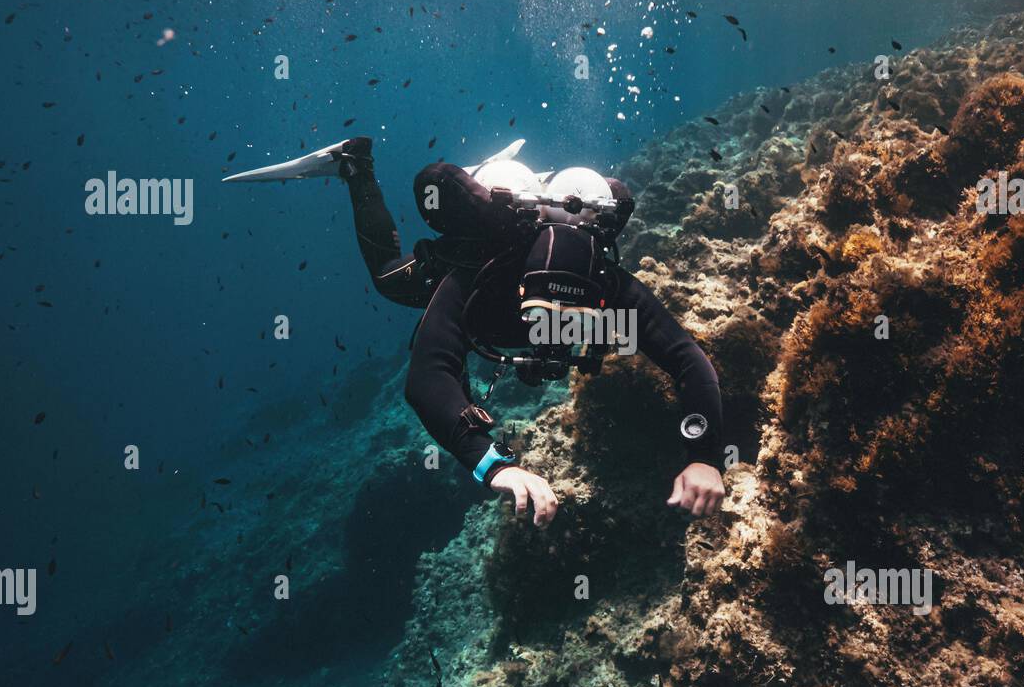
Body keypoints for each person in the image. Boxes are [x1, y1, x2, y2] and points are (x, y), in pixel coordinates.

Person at [227, 136, 725, 527]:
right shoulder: (473, 277)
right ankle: (354, 166)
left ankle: (489, 185)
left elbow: (685, 358)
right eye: (542, 303)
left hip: (528, 236)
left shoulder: (607, 280)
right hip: (480, 261)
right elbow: (427, 379)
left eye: (564, 309)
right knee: (388, 280)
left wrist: (705, 457)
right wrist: (494, 465)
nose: (548, 319)